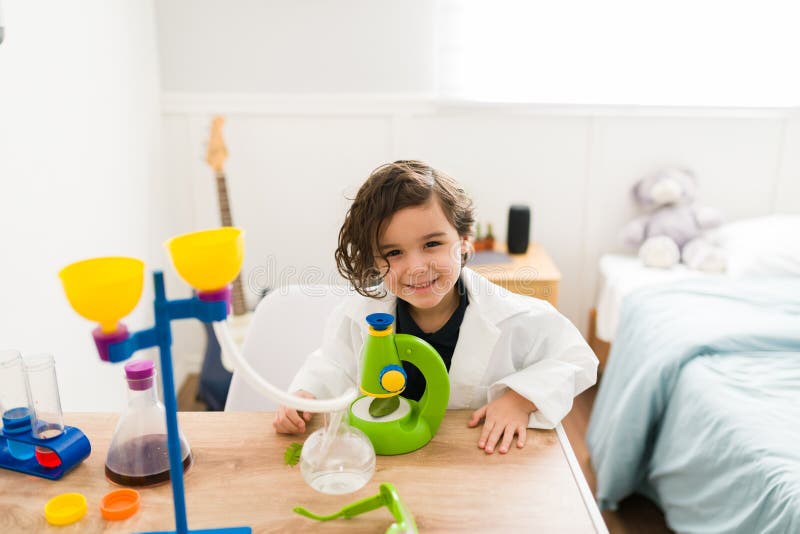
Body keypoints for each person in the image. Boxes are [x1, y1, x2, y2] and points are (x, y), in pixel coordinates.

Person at [274, 161, 597, 454]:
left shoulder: (515, 317)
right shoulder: (358, 314)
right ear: (374, 260)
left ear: (464, 239)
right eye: (393, 253)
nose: (416, 267)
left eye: (432, 244)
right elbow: (333, 363)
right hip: (385, 457)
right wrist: (305, 395)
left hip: (473, 459)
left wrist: (520, 400)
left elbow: (575, 359)